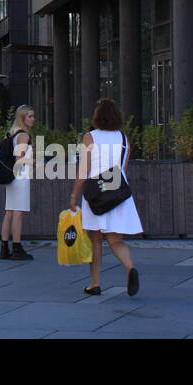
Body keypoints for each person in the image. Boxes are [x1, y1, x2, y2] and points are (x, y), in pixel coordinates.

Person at [68, 98, 142, 297]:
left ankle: (95, 284)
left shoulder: (90, 137)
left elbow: (83, 171)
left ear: (97, 117)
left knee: (95, 240)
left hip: (96, 193)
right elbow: (122, 170)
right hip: (118, 193)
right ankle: (129, 268)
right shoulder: (124, 138)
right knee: (115, 239)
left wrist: (74, 195)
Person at [0, 105, 36, 261]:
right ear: (22, 118)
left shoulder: (13, 132)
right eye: (30, 116)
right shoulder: (23, 136)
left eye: (33, 116)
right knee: (18, 213)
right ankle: (17, 247)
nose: (33, 119)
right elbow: (19, 159)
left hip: (12, 178)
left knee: (10, 212)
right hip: (20, 177)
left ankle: (4, 248)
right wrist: (36, 162)